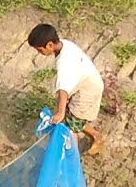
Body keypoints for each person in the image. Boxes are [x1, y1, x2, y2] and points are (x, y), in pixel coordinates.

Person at [27, 23, 106, 156]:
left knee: (71, 128)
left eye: (40, 50)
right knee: (73, 119)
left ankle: (72, 158)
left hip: (87, 91)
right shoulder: (64, 44)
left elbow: (62, 91)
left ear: (50, 45)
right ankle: (96, 136)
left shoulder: (64, 63)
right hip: (85, 83)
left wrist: (60, 112)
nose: (40, 53)